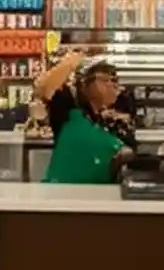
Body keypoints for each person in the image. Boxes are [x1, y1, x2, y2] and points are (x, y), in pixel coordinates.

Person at [33, 51, 135, 183]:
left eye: (115, 80)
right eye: (105, 80)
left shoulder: (120, 119)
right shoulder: (68, 107)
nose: (113, 85)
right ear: (85, 84)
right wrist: (74, 58)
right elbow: (42, 88)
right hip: (59, 196)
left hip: (101, 197)